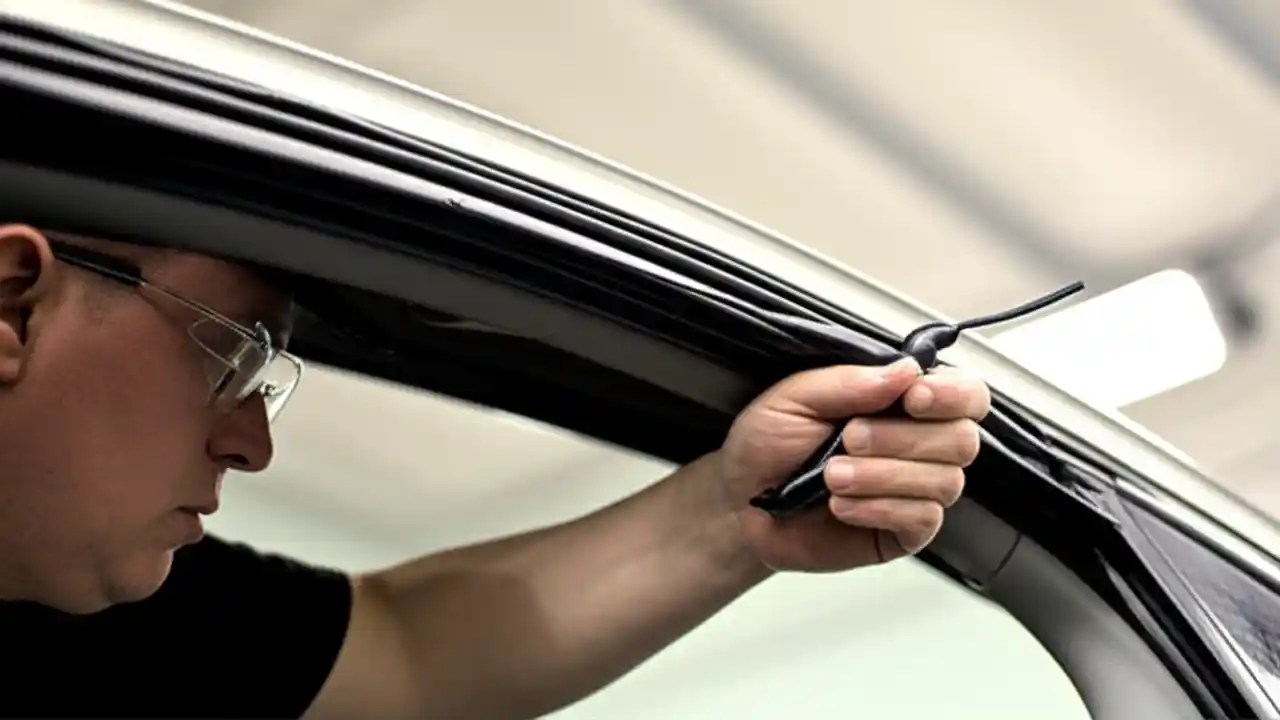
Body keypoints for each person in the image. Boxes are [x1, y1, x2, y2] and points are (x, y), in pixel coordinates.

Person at [0, 222, 989, 718]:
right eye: (233, 352)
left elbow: (411, 653)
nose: (253, 445)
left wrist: (737, 516)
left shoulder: (74, 625)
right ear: (14, 305)